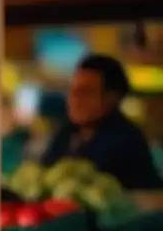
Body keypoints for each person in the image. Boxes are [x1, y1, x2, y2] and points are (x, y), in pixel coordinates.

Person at [40, 54, 163, 190]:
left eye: (85, 92)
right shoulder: (66, 133)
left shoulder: (126, 140)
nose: (74, 99)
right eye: (72, 90)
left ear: (112, 98)